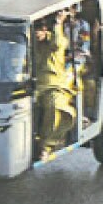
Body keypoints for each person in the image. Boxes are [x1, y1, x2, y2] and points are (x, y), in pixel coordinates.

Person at [34, 11, 75, 160]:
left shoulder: (56, 41)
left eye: (40, 30)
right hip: (33, 85)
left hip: (54, 85)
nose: (37, 34)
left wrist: (58, 24)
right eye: (35, 30)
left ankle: (47, 146)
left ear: (46, 30)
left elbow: (58, 43)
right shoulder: (29, 43)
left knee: (54, 105)